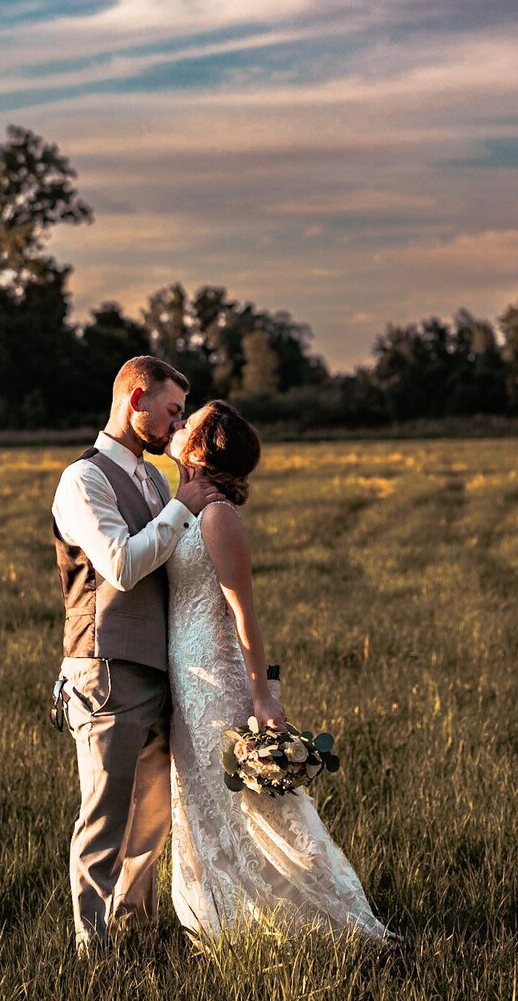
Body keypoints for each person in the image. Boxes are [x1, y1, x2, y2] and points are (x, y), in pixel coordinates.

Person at [165, 399, 395, 941]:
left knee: (252, 804)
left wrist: (263, 698)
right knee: (198, 800)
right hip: (183, 675)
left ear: (201, 449)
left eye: (187, 423)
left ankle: (326, 920)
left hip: (216, 678)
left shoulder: (219, 516)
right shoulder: (184, 507)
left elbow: (244, 613)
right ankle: (223, 921)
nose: (177, 426)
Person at [51, 356, 225, 953]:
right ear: (136, 398)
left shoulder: (152, 480)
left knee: (150, 822)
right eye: (172, 410)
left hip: (159, 671)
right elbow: (121, 566)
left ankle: (135, 939)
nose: (177, 425)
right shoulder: (84, 479)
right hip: (103, 669)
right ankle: (92, 951)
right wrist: (184, 504)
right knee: (104, 818)